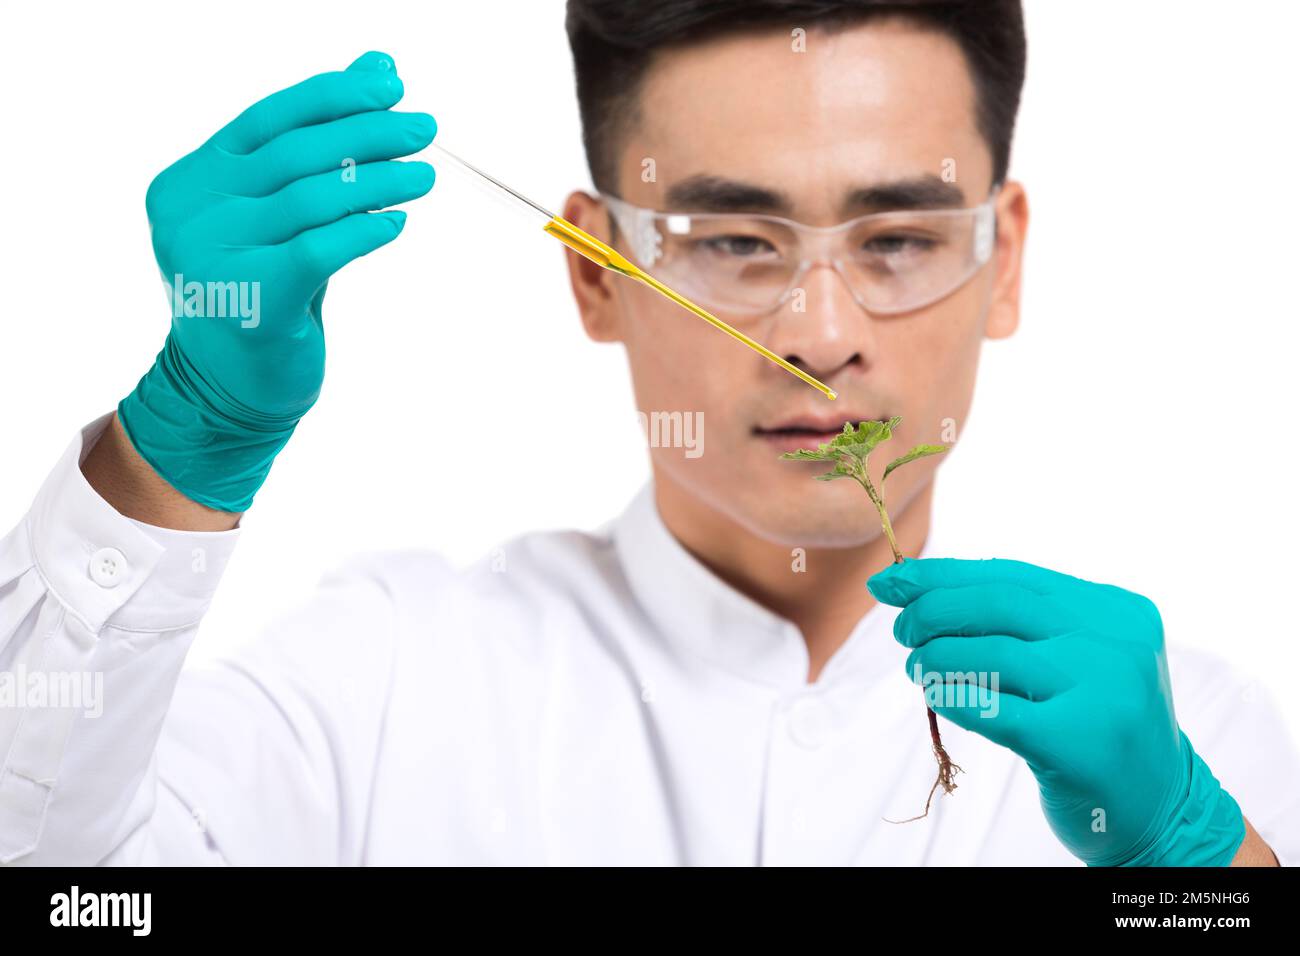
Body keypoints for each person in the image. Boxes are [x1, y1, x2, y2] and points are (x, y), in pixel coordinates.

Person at [1, 0, 1294, 866]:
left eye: (897, 240)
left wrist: (1198, 864)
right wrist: (178, 445)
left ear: (1004, 261)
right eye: (735, 242)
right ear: (596, 270)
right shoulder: (372, 690)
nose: (819, 333)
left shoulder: (1197, 747)